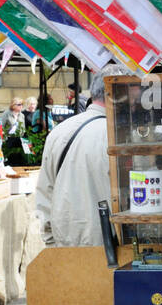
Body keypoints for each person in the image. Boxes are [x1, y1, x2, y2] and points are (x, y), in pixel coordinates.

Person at [34, 82, 110, 247]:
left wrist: (51, 243)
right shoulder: (115, 135)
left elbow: (45, 193)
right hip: (110, 245)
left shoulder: (58, 132)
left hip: (66, 244)